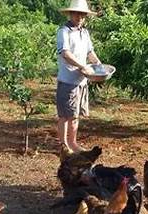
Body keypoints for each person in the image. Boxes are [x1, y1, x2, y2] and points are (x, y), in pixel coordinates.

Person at [56, 0, 101, 154]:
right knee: (65, 115)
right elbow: (65, 53)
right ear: (70, 14)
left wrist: (98, 64)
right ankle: (63, 146)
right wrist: (82, 66)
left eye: (82, 14)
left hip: (81, 81)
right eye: (76, 13)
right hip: (68, 80)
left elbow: (90, 52)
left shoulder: (84, 32)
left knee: (75, 115)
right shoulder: (64, 31)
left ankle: (72, 142)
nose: (79, 17)